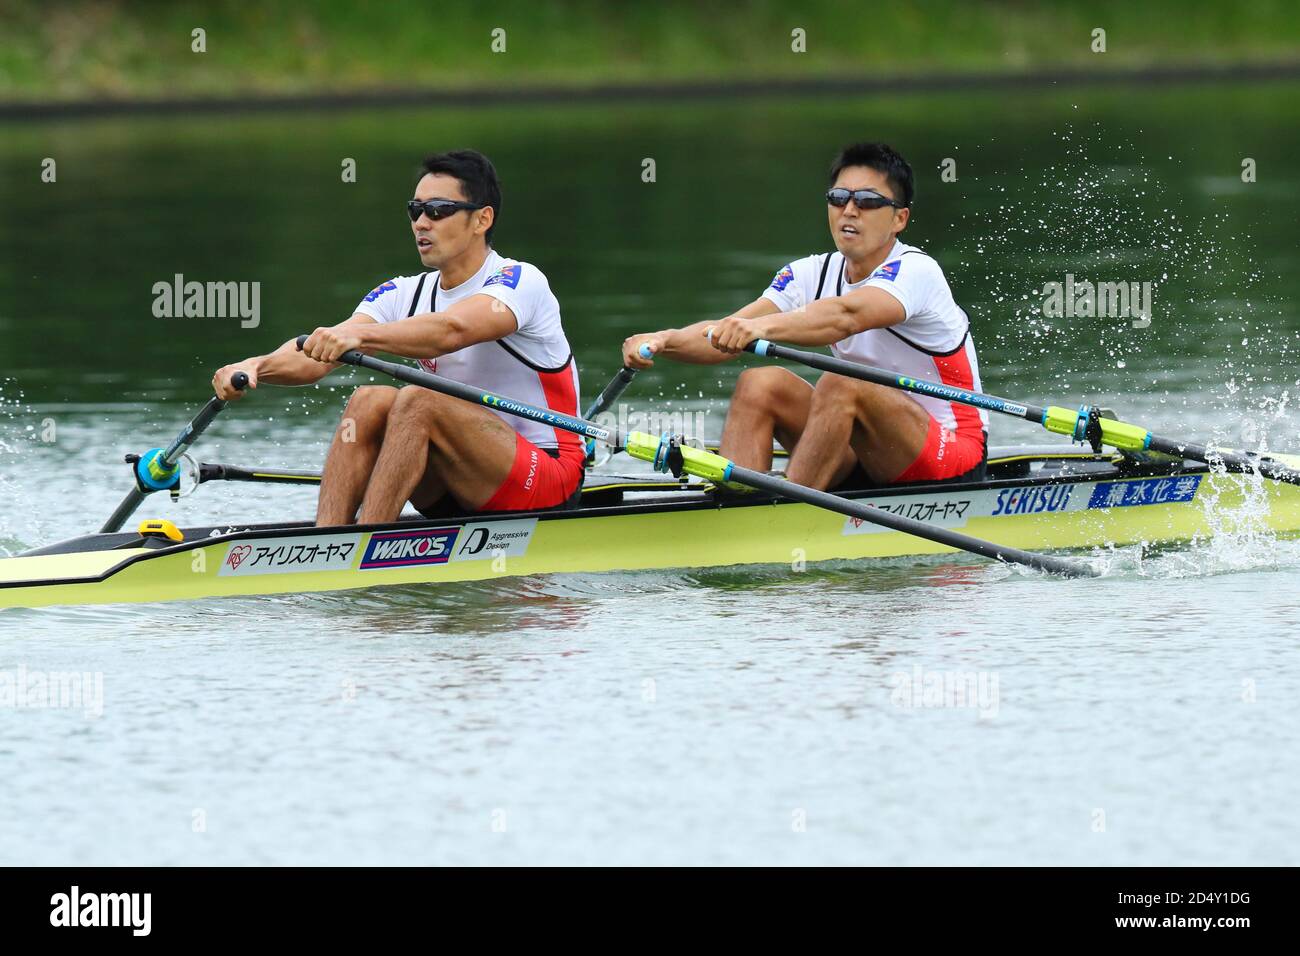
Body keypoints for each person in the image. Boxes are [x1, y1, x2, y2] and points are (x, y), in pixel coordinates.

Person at [212, 149, 583, 526]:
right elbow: (317, 352)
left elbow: (452, 330)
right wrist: (256, 365)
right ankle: (328, 540)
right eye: (415, 210)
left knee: (418, 401)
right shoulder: (402, 293)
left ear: (481, 219)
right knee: (369, 400)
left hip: (547, 477)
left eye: (438, 210)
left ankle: (368, 545)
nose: (422, 222)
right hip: (457, 483)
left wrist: (362, 338)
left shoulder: (519, 281)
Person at [622, 142, 987, 491]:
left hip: (951, 452)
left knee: (840, 382)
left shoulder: (916, 271)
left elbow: (846, 316)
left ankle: (785, 513)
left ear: (899, 219)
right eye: (839, 198)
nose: (849, 210)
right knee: (760, 384)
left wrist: (759, 329)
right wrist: (663, 340)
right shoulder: (810, 273)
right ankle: (738, 500)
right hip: (868, 450)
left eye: (868, 201)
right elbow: (725, 335)